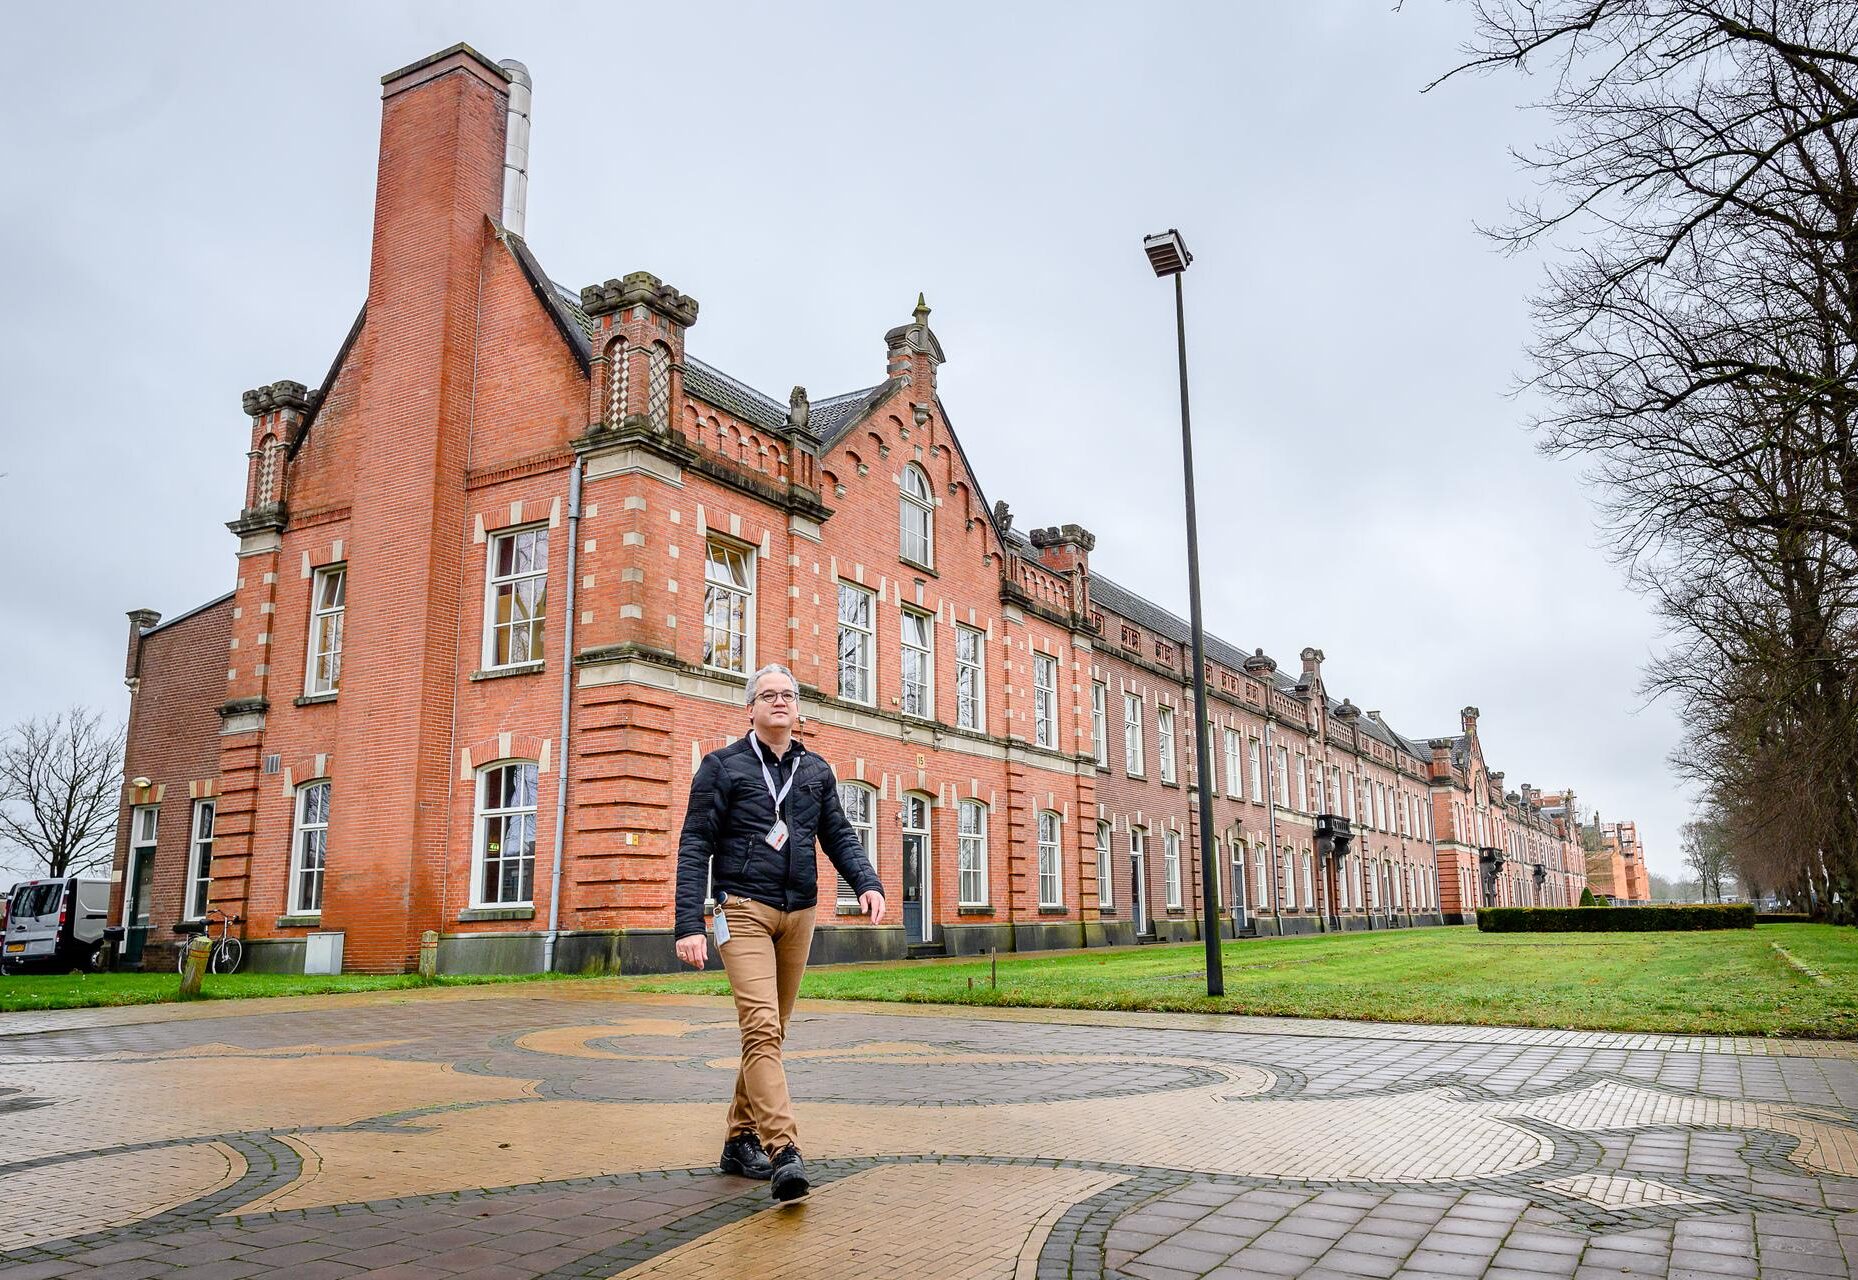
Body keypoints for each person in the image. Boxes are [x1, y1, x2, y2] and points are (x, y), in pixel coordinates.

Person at [674, 663, 886, 1201]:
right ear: (750, 708)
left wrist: (867, 883)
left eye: (787, 694)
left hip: (800, 913)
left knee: (772, 1031)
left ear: (798, 708)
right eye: (767, 694)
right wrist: (687, 924)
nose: (778, 701)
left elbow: (839, 834)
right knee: (762, 1026)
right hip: (740, 909)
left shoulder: (815, 770)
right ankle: (783, 1149)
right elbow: (695, 843)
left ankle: (737, 1139)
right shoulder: (721, 767)